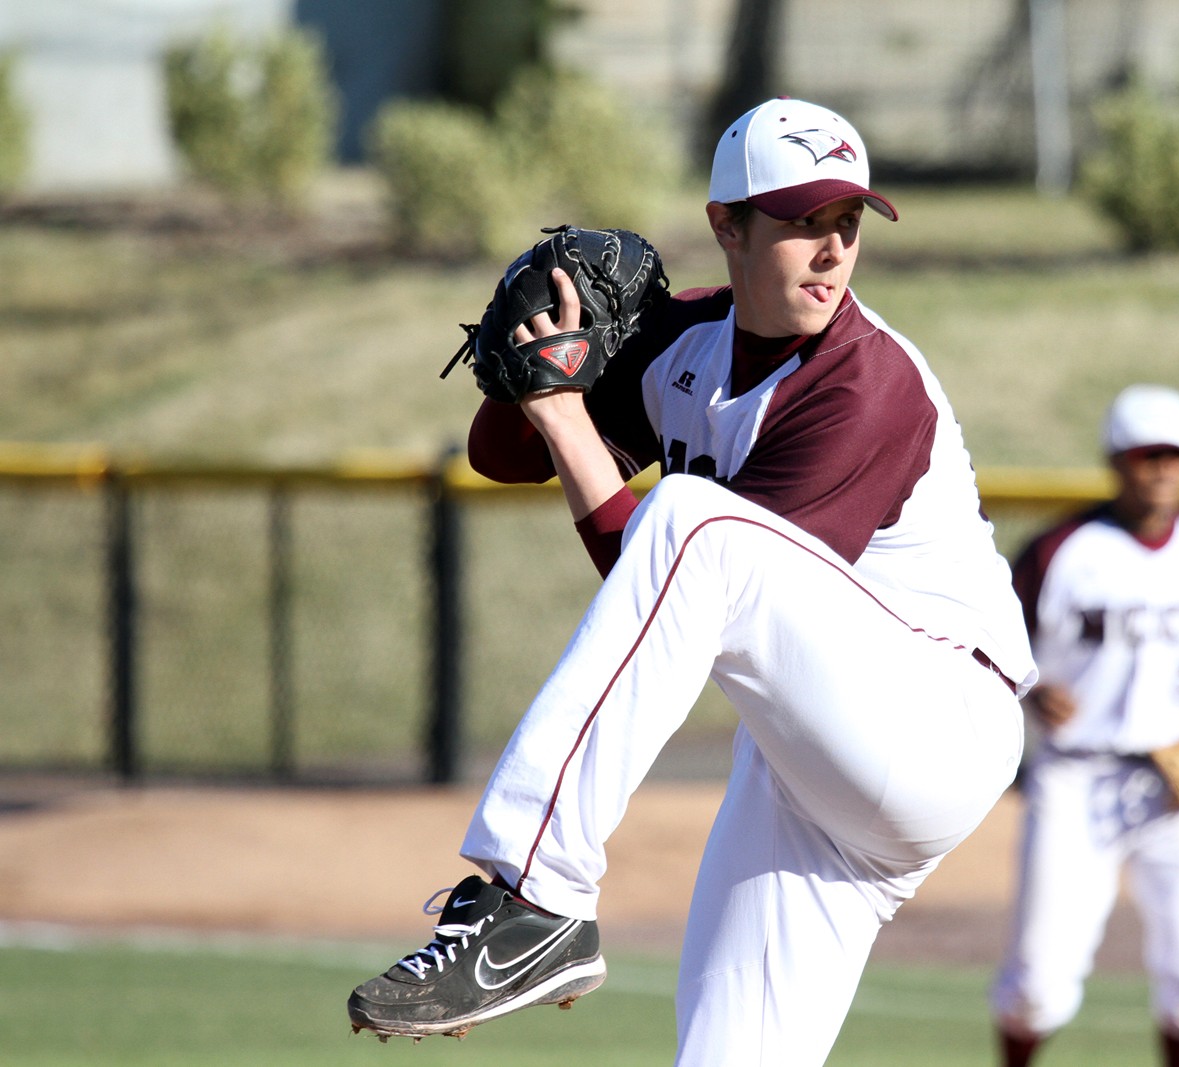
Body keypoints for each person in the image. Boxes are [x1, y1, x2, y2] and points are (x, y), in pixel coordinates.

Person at [347, 97, 1035, 1065]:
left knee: (684, 516)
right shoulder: (687, 344)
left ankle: (534, 896)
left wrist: (567, 414)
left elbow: (686, 586)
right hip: (807, 763)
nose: (832, 250)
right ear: (727, 225)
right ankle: (537, 906)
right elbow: (506, 458)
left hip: (934, 716)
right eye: (802, 222)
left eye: (846, 224)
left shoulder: (864, 386)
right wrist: (530, 369)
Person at [988, 384, 1179, 1067]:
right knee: (1038, 984)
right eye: (1147, 454)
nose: (1162, 468)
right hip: (1077, 777)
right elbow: (993, 641)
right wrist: (1029, 687)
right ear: (1116, 460)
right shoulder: (1061, 550)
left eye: (1174, 454)